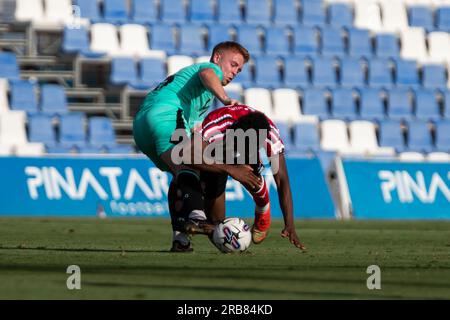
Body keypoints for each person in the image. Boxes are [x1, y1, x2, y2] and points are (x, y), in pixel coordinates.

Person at [133, 42, 260, 252]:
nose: (235, 72)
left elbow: (195, 137)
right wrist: (226, 100)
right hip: (165, 113)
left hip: (142, 127)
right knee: (189, 165)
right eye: (233, 64)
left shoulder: (199, 97)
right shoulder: (209, 70)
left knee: (183, 172)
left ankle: (180, 239)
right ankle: (198, 218)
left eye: (239, 69)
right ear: (218, 57)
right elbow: (208, 74)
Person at [193, 104, 307, 252]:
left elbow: (282, 180)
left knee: (252, 174)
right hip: (217, 151)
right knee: (215, 219)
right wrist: (231, 169)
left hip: (240, 145)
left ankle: (263, 208)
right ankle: (216, 230)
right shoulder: (216, 126)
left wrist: (289, 224)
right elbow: (189, 156)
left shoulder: (270, 136)